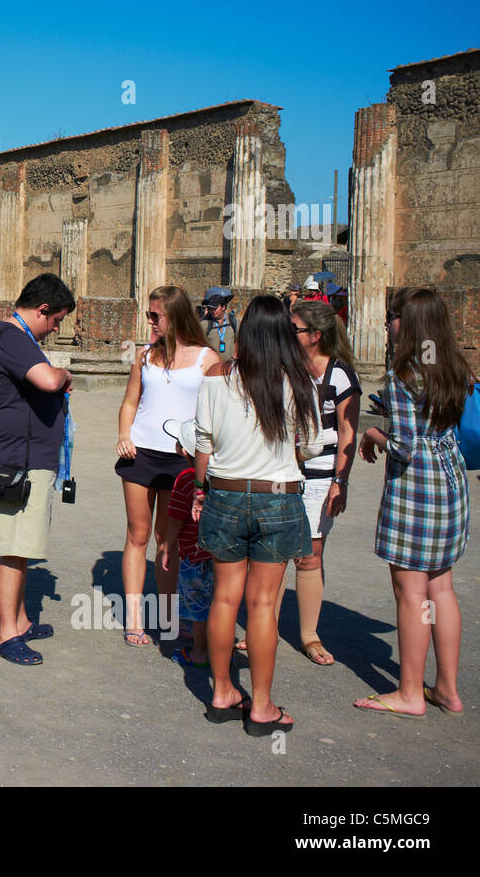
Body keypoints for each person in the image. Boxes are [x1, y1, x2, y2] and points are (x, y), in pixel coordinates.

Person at [191, 295, 321, 736]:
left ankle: (223, 691)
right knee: (263, 604)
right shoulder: (299, 381)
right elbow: (312, 445)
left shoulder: (216, 377)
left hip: (225, 494)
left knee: (225, 598)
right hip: (278, 496)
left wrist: (199, 489)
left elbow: (202, 443)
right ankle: (262, 706)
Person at [355, 287, 472, 718]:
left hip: (417, 489)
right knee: (441, 585)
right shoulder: (453, 366)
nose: (388, 322)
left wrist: (372, 434)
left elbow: (403, 446)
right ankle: (447, 688)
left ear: (412, 322)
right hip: (451, 481)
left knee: (411, 592)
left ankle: (409, 692)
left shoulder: (403, 375)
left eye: (393, 315)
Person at [0, 273, 75, 666]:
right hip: (17, 461)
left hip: (28, 457)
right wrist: (65, 374)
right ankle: (6, 634)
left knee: (25, 546)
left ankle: (19, 621)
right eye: (55, 321)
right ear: (41, 310)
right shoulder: (14, 337)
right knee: (16, 548)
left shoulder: (17, 339)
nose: (55, 330)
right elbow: (49, 380)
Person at [115, 285, 215, 648]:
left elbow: (216, 410)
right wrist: (124, 434)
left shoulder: (207, 358)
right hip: (139, 454)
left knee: (168, 540)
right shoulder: (144, 356)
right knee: (136, 536)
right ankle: (135, 618)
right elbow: (130, 402)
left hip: (182, 460)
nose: (150, 321)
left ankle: (170, 615)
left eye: (155, 315)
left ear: (175, 316)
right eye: (149, 314)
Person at [270, 299, 360, 666]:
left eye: (294, 330)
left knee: (309, 556)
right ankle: (266, 627)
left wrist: (341, 481)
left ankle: (309, 635)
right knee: (273, 554)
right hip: (280, 471)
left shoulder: (340, 375)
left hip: (322, 475)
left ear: (315, 335)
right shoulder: (285, 368)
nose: (287, 335)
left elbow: (346, 432)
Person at [161, 418, 214, 668]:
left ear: (183, 450)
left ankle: (201, 652)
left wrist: (167, 547)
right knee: (219, 603)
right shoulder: (221, 474)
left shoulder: (186, 478)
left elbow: (175, 520)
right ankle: (218, 649)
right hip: (221, 554)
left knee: (200, 609)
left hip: (195, 555)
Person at [200, 286, 236, 359]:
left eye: (215, 308)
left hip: (229, 367)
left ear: (223, 306)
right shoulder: (204, 324)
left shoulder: (233, 322)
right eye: (210, 308)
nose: (212, 310)